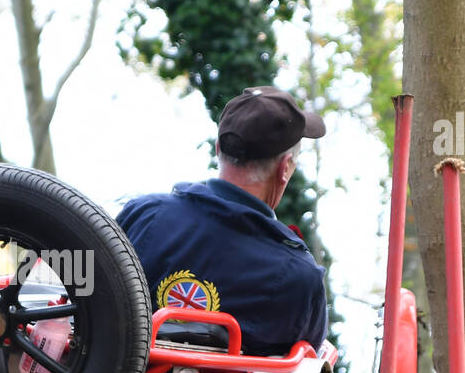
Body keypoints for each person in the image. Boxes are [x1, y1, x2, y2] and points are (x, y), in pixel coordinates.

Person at [116, 86, 328, 356]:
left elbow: (85, 295)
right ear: (285, 168)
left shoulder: (144, 215)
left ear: (218, 148)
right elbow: (305, 369)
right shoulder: (298, 277)